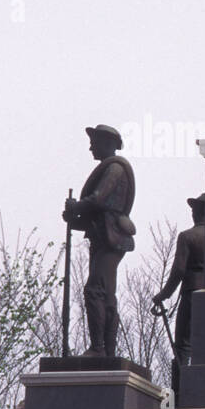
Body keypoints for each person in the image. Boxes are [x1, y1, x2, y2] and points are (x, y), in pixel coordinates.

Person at [62, 125, 136, 357]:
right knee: (106, 293)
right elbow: (100, 210)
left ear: (108, 142)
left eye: (94, 142)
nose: (91, 147)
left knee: (95, 290)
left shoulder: (114, 168)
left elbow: (99, 199)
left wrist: (77, 206)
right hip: (103, 235)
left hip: (110, 237)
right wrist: (73, 219)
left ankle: (98, 348)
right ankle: (107, 350)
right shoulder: (111, 168)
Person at [152, 193, 205, 394]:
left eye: (194, 210)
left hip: (192, 293)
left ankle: (182, 392)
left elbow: (179, 271)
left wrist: (163, 295)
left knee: (183, 344)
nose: (192, 213)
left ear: (200, 211)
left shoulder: (187, 236)